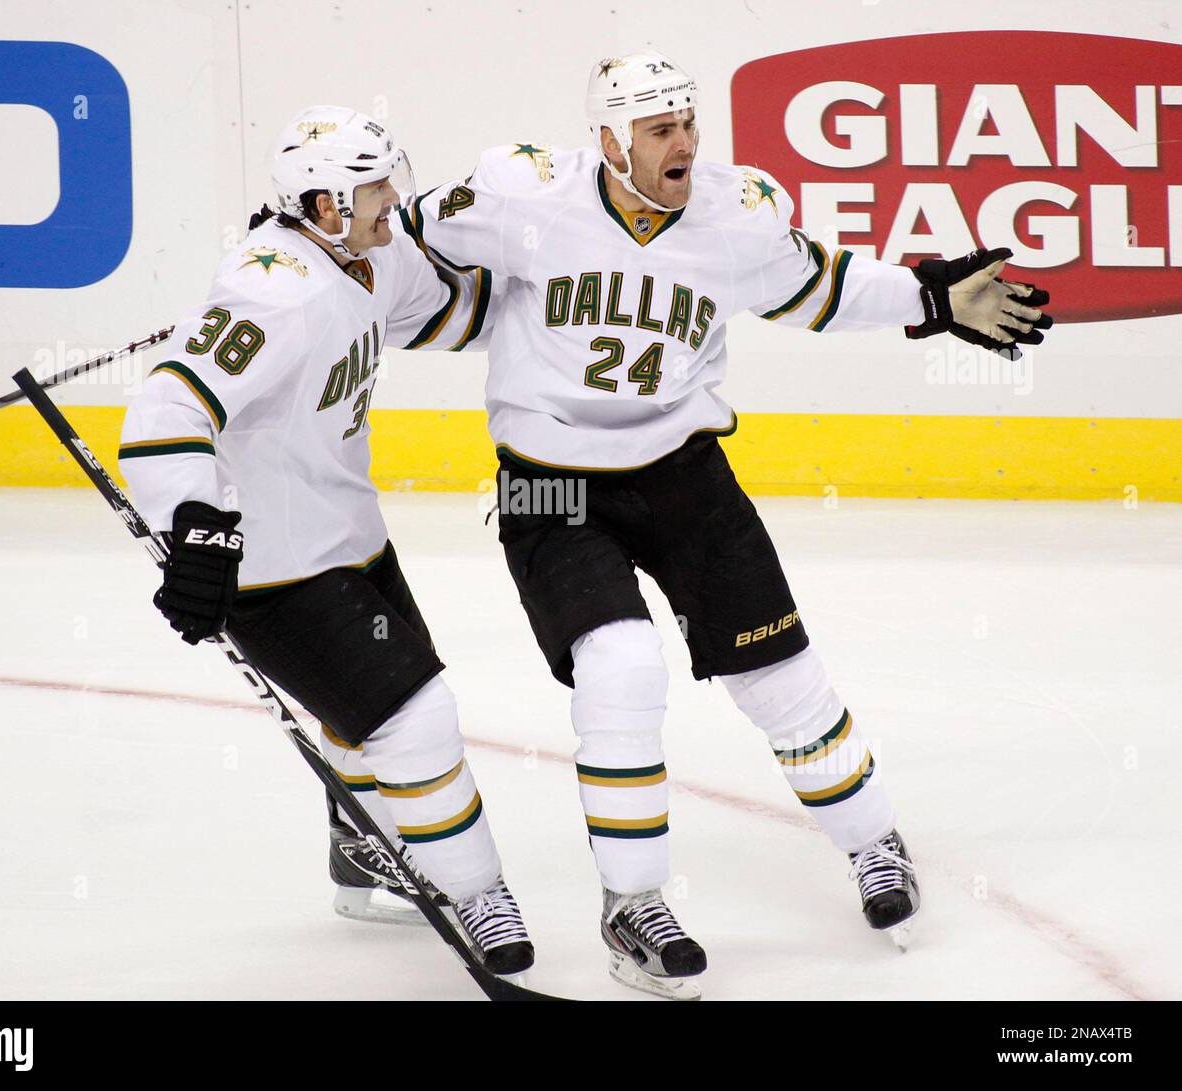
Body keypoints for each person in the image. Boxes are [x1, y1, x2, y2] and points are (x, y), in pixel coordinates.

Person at [408, 52, 1051, 998]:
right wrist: (311, 253)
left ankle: (873, 841)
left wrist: (928, 296)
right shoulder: (520, 191)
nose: (684, 142)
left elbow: (816, 288)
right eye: (659, 128)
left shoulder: (734, 210)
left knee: (779, 675)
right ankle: (634, 904)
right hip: (550, 485)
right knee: (621, 667)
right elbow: (398, 235)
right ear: (610, 140)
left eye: (688, 122)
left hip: (684, 478)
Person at [117, 105, 529, 976]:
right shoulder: (275, 291)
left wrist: (557, 278)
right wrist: (194, 527)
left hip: (351, 534)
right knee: (418, 717)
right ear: (330, 203)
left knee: (362, 713)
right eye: (377, 183)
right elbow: (164, 412)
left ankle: (363, 852)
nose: (396, 198)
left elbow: (454, 311)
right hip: (272, 567)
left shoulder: (365, 256)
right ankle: (478, 893)